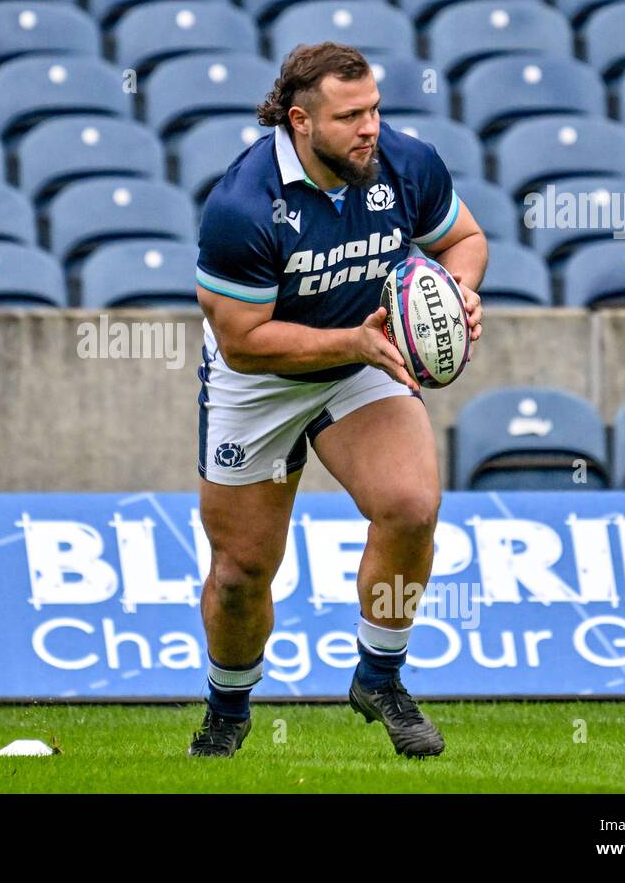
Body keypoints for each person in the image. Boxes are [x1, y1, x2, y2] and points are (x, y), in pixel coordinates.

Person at [190, 42, 486, 758]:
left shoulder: (407, 163)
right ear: (300, 121)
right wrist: (353, 342)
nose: (370, 128)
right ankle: (229, 705)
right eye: (351, 115)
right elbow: (243, 342)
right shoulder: (241, 206)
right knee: (241, 575)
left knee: (411, 506)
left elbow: (465, 238)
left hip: (365, 354)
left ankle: (379, 676)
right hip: (261, 380)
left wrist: (460, 292)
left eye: (376, 109)